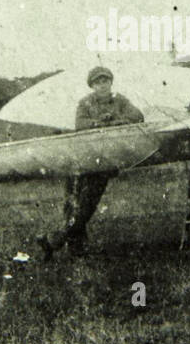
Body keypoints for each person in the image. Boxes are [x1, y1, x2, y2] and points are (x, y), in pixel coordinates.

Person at [40, 66, 144, 258]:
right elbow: (80, 125)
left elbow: (137, 116)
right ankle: (69, 243)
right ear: (92, 85)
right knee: (74, 201)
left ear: (111, 82)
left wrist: (113, 121)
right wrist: (98, 123)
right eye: (97, 82)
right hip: (81, 159)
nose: (102, 85)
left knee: (88, 204)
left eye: (105, 81)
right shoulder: (85, 103)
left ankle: (56, 241)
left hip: (103, 163)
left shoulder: (120, 101)